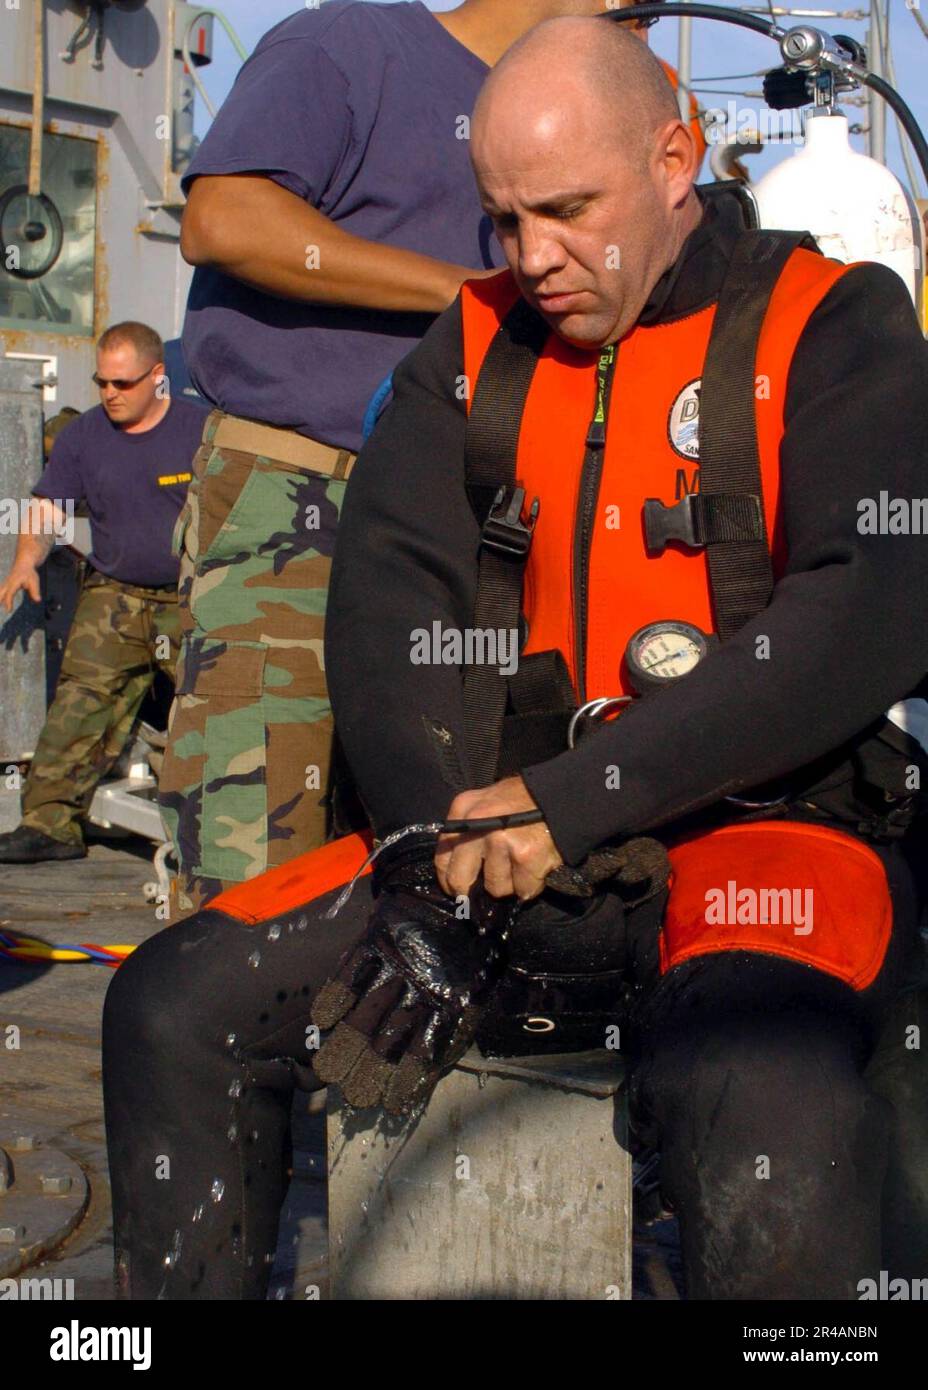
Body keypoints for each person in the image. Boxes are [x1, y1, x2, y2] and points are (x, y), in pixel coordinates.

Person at [102, 18, 928, 1301]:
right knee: (168, 1006)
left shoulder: (833, 323)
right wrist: (436, 847)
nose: (531, 257)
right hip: (491, 845)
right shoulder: (472, 346)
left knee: (766, 1100)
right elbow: (390, 605)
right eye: (501, 221)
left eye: (566, 210)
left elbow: (871, 605)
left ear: (674, 154)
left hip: (759, 833)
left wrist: (584, 796)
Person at [160, 0, 689, 919]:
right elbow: (223, 217)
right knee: (254, 838)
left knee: (428, 849)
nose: (651, 27)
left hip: (470, 525)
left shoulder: (564, 108)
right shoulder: (350, 45)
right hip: (303, 499)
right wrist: (474, 295)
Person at [0, 323, 207, 864]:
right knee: (78, 705)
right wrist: (26, 560)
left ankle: (224, 837)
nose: (110, 393)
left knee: (213, 708)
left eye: (123, 383)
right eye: (101, 382)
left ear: (158, 378)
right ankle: (50, 826)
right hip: (115, 596)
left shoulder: (203, 432)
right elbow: (48, 508)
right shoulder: (83, 436)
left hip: (192, 598)